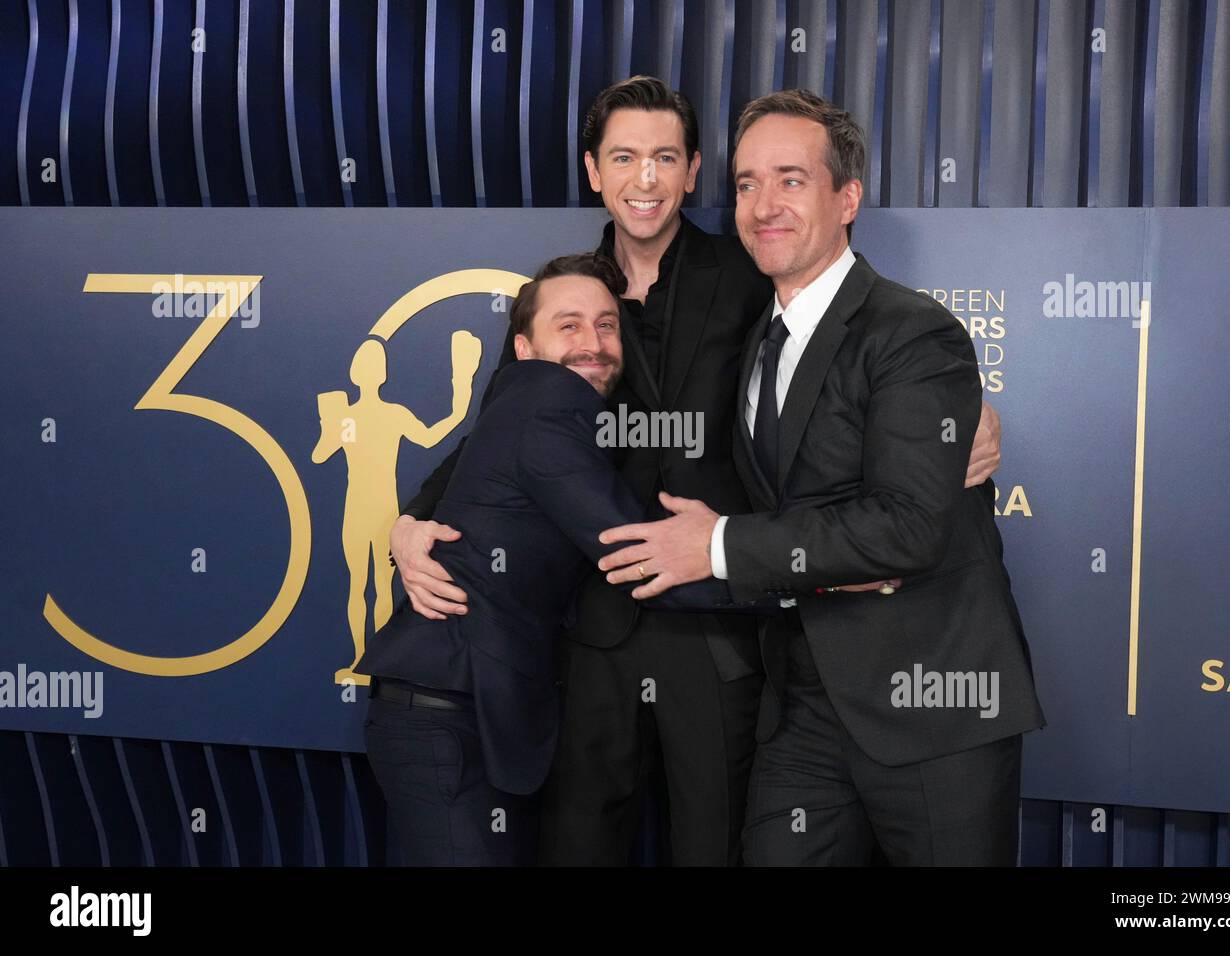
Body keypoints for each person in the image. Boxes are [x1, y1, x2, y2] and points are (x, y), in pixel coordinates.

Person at [391, 76, 1005, 866]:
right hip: (591, 627)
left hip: (721, 630)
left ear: (691, 171)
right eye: (623, 157)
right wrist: (413, 518)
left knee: (714, 847)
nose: (644, 180)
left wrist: (972, 425)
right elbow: (499, 429)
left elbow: (857, 351)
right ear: (593, 172)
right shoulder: (566, 292)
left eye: (664, 158)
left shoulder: (755, 266)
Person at [599, 90, 1046, 866]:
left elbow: (906, 527)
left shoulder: (912, 331)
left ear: (847, 199)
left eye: (791, 180)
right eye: (745, 184)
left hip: (934, 709)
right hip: (803, 709)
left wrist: (719, 546)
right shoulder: (754, 339)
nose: (763, 204)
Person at [356, 255, 761, 866]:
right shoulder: (550, 405)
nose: (593, 344)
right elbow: (638, 557)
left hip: (470, 722)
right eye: (567, 326)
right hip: (448, 724)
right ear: (524, 346)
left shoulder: (526, 405)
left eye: (606, 325)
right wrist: (792, 575)